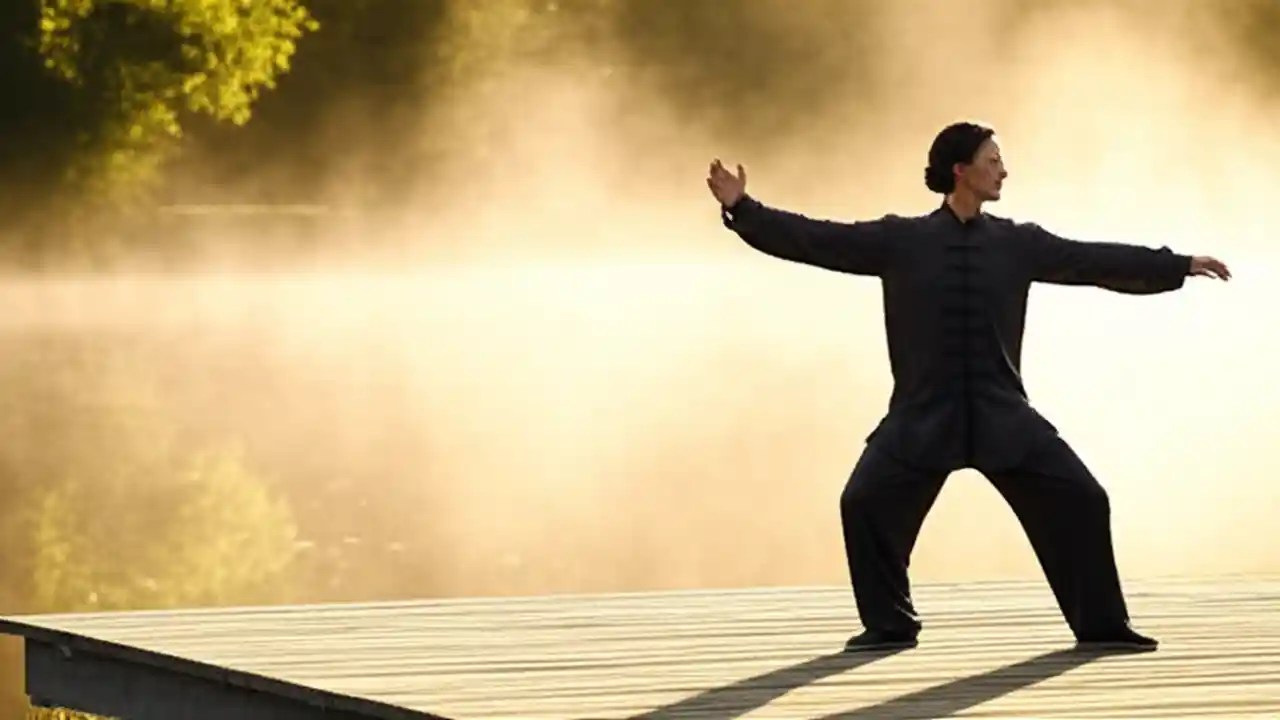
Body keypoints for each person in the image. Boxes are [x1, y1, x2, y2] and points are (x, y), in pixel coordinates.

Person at [706, 122, 1231, 653]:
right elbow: (817, 240)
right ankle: (890, 624)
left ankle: (1101, 626)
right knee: (863, 502)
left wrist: (1177, 265)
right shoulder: (901, 241)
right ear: (961, 170)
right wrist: (743, 208)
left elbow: (1092, 259)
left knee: (1083, 498)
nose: (1003, 169)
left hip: (1002, 416)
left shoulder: (1017, 244)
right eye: (993, 159)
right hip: (921, 417)